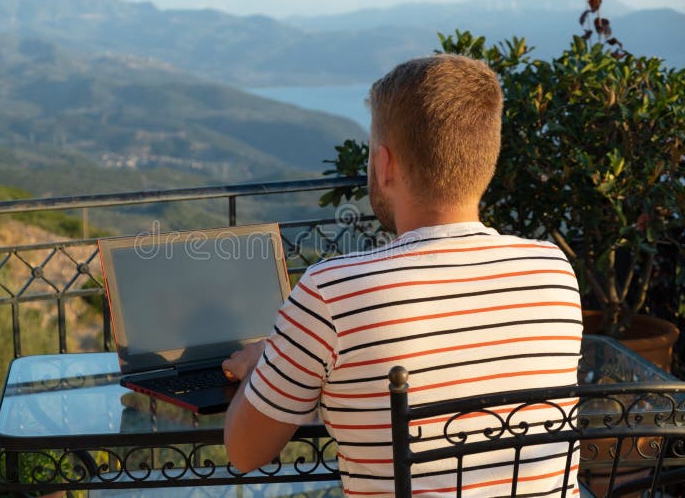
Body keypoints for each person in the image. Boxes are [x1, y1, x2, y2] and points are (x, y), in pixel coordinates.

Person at [222, 54, 582, 496]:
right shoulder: (552, 271)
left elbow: (243, 453)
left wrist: (269, 360)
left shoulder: (330, 294)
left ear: (385, 164)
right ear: (486, 160)